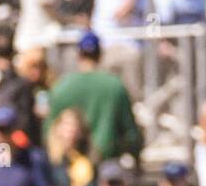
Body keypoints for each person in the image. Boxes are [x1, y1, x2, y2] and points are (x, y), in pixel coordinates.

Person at [44, 30, 143, 162]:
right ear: (100, 54)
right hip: (105, 163)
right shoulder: (114, 85)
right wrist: (136, 157)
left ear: (79, 54)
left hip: (69, 166)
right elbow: (131, 134)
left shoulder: (62, 86)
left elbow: (48, 130)